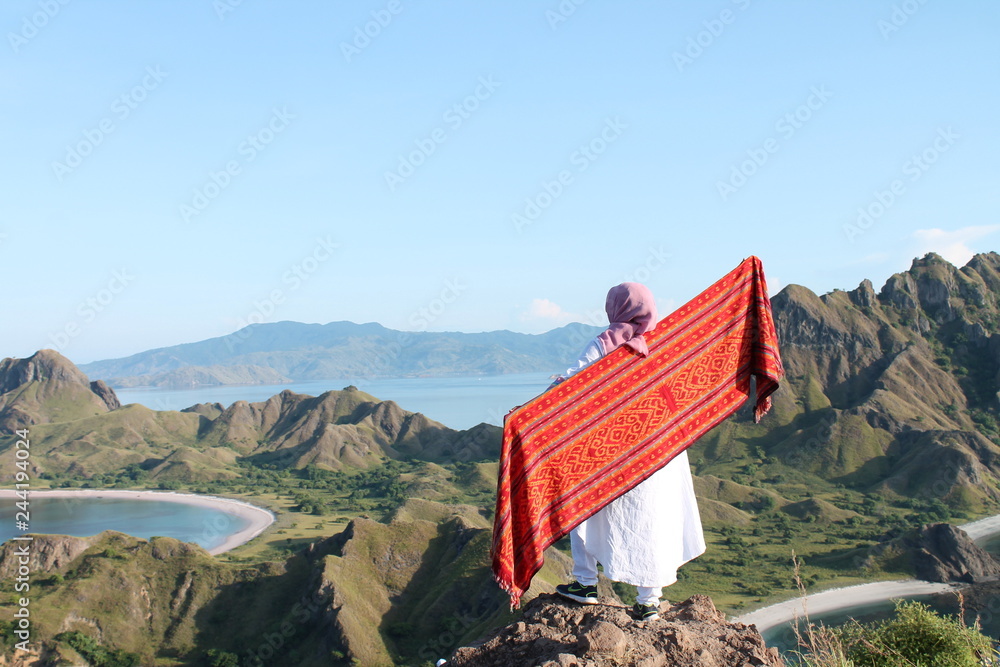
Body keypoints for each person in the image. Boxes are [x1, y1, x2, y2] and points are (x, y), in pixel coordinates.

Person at [553, 282, 706, 621]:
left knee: (584, 508)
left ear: (615, 308)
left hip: (611, 452)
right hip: (660, 452)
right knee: (654, 519)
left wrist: (546, 396)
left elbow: (573, 384)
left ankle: (585, 582)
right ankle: (649, 601)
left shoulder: (605, 344)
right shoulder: (665, 343)